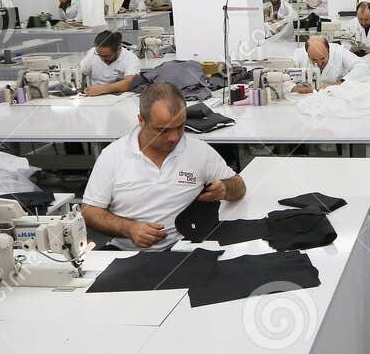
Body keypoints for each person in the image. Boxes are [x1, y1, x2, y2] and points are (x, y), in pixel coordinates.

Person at [81, 82, 246, 251]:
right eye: (163, 130)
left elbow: (239, 187)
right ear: (141, 121)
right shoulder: (113, 155)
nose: (174, 138)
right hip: (126, 252)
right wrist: (129, 229)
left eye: (180, 126)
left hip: (186, 249)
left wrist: (225, 189)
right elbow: (89, 212)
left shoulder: (199, 151)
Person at [293, 35, 368, 93]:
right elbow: (284, 76)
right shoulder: (299, 55)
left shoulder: (339, 52)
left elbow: (362, 67)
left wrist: (339, 83)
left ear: (329, 51)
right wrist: (294, 88)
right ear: (307, 54)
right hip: (308, 97)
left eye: (323, 58)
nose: (319, 63)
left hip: (336, 95)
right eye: (314, 60)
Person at [80, 30, 141, 96]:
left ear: (118, 48)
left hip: (119, 97)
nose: (102, 58)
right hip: (94, 96)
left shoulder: (130, 58)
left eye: (106, 56)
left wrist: (102, 89)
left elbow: (130, 82)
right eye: (99, 54)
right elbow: (82, 72)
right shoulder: (92, 53)